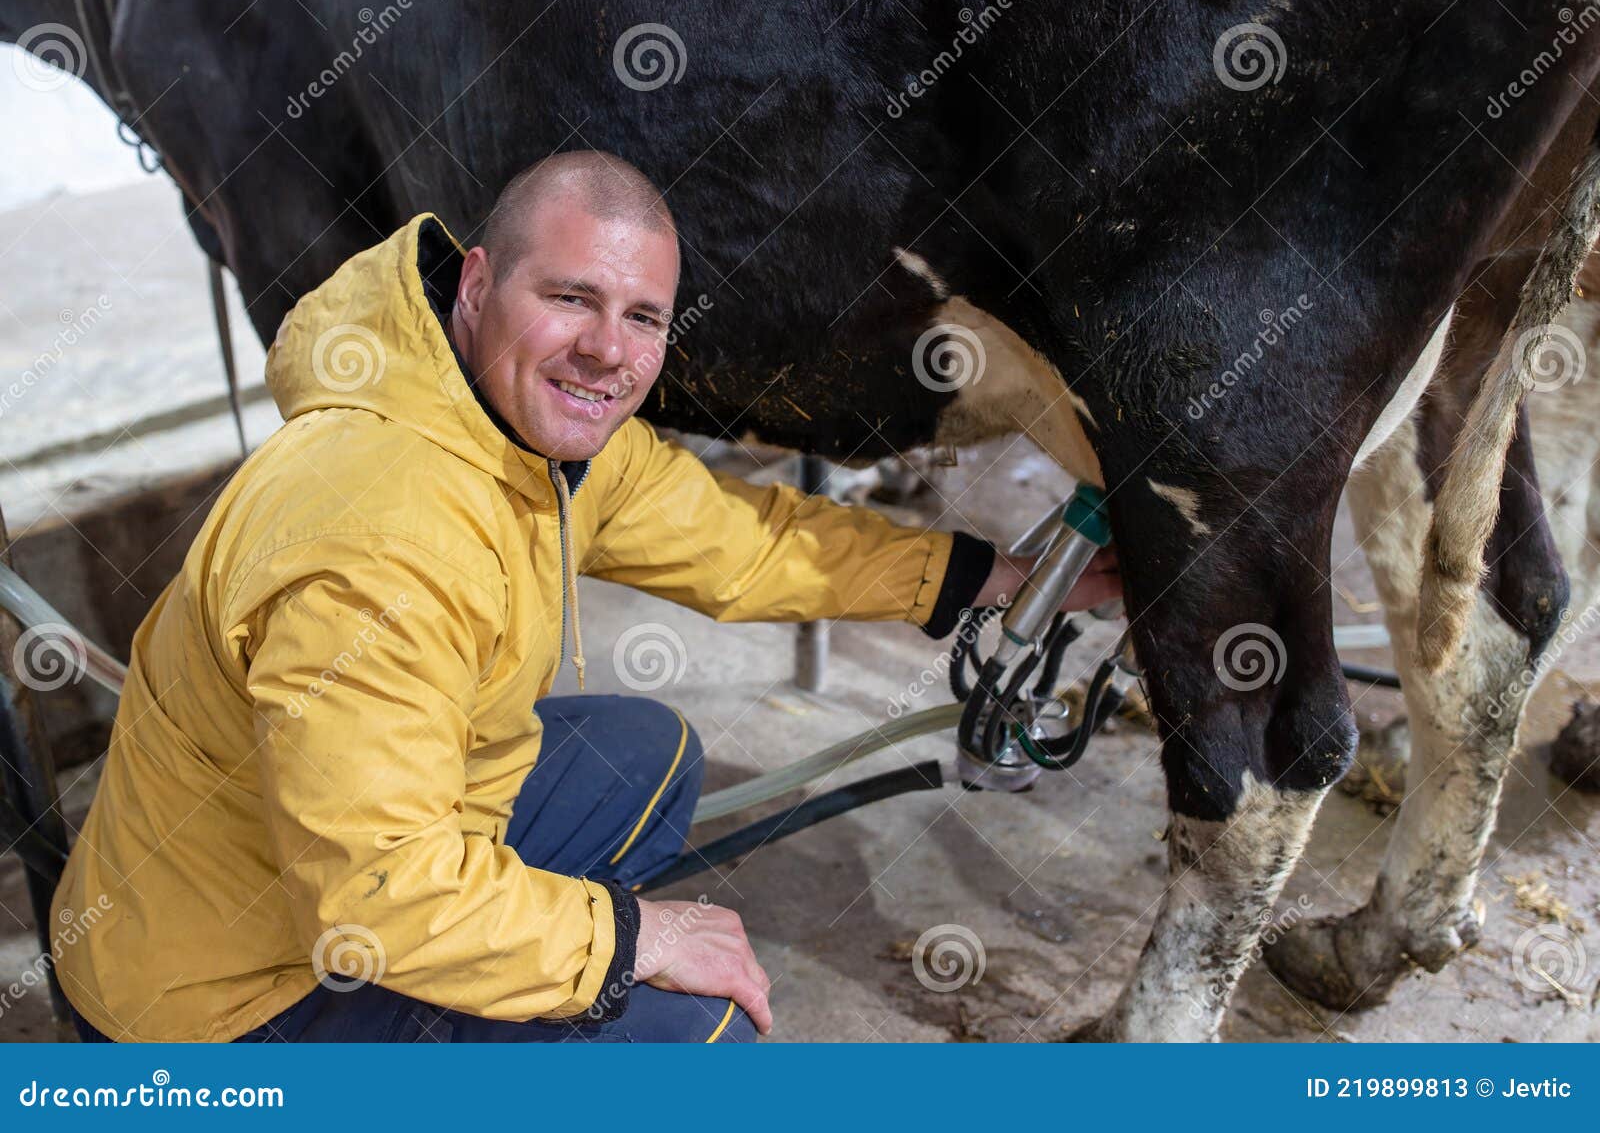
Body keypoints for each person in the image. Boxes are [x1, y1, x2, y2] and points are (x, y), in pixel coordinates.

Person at [52, 151, 1119, 1043]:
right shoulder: (382, 544)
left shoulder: (508, 420)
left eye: (641, 315)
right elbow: (374, 897)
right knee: (700, 1032)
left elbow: (742, 541)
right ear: (475, 286)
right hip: (216, 1003)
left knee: (647, 754)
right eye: (569, 297)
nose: (609, 349)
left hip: (290, 875)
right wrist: (628, 938)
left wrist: (985, 578)